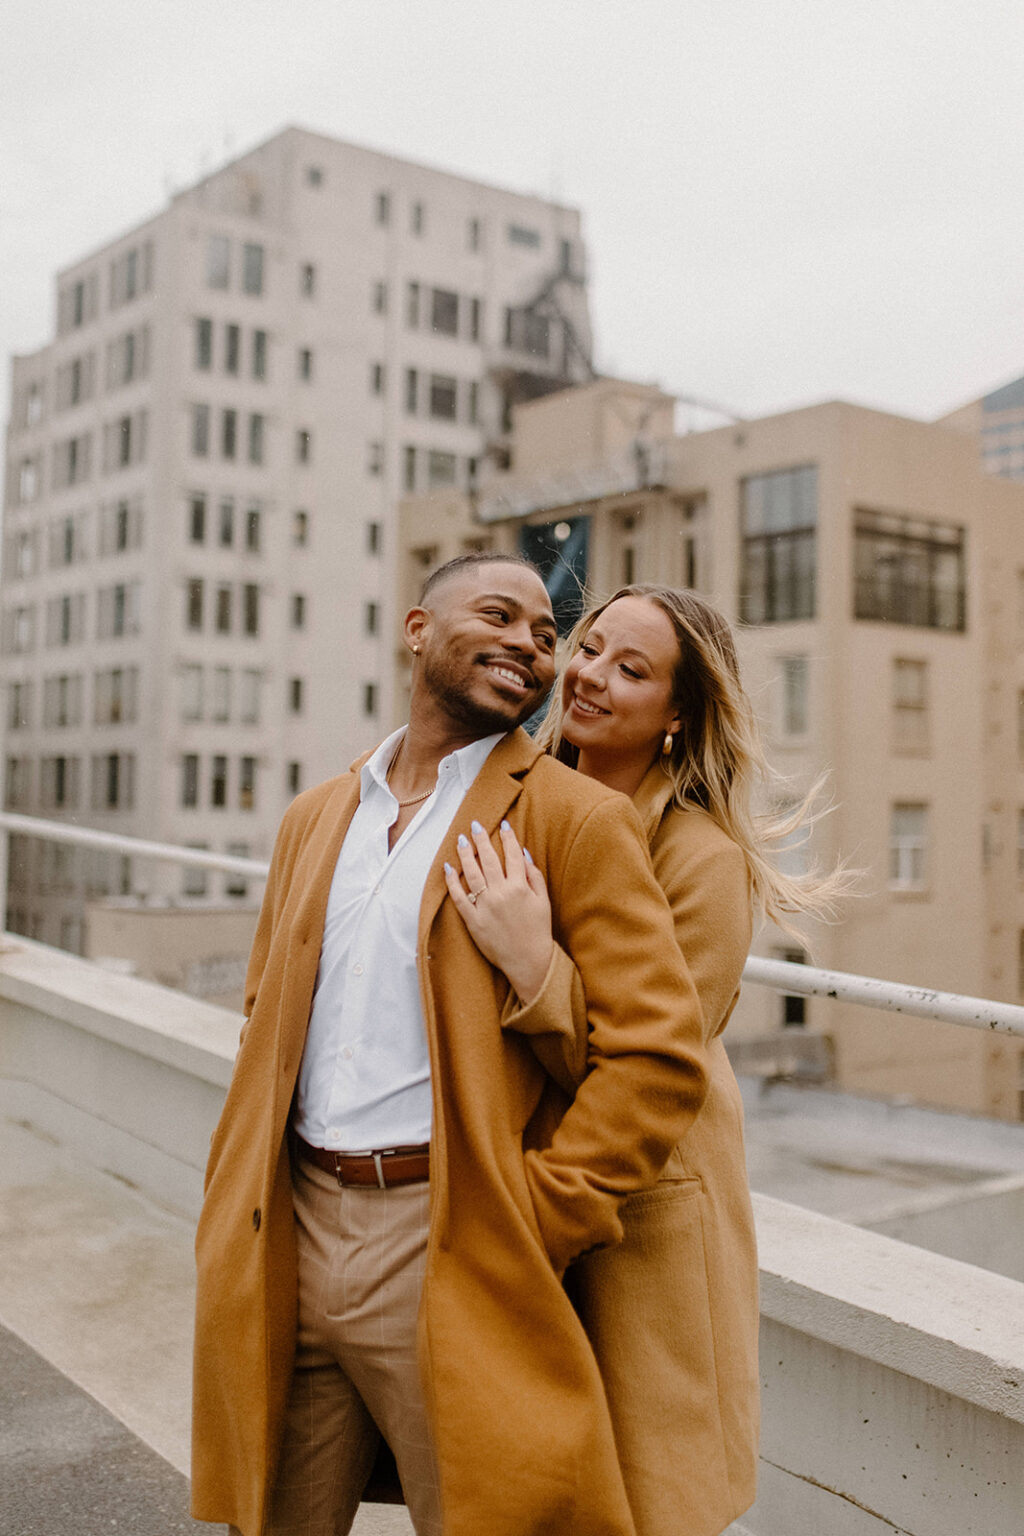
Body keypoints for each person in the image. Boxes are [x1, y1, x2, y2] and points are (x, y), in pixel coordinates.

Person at [190, 554, 713, 1536]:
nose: (529, 641)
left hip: (447, 1238)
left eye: (545, 634)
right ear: (419, 626)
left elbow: (657, 1058)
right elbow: (267, 1010)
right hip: (289, 1235)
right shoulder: (315, 817)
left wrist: (539, 1214)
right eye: (499, 613)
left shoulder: (575, 820)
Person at [446, 583, 846, 1536]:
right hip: (523, 1180)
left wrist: (533, 962)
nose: (589, 677)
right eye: (589, 649)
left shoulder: (702, 858)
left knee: (644, 1497)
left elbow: (651, 1054)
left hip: (646, 1208)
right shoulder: (514, 803)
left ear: (677, 716)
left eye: (632, 670)